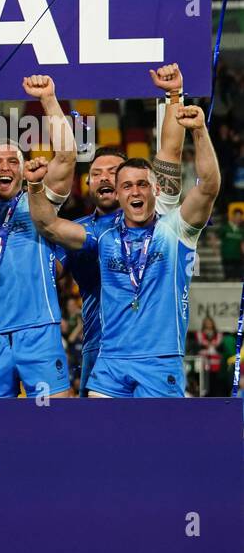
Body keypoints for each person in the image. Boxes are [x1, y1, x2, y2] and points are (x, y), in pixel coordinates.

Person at [26, 104, 219, 398]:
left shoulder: (175, 228)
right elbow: (48, 225)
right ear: (118, 192)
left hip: (160, 358)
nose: (136, 191)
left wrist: (199, 130)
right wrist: (36, 186)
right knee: (100, 439)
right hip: (110, 359)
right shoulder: (100, 234)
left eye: (143, 184)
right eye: (127, 186)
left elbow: (207, 187)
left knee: (159, 441)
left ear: (155, 190)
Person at [48, 63, 187, 393]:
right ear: (88, 183)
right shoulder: (79, 230)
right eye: (98, 172)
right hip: (100, 345)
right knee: (99, 439)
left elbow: (170, 153)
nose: (107, 178)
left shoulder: (156, 212)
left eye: (115, 172)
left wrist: (173, 96)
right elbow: (43, 275)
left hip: (153, 352)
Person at [0, 75, 77, 399]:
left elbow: (67, 157)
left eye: (13, 161)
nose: (5, 166)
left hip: (38, 330)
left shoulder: (36, 200)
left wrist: (49, 100)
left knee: (54, 420)